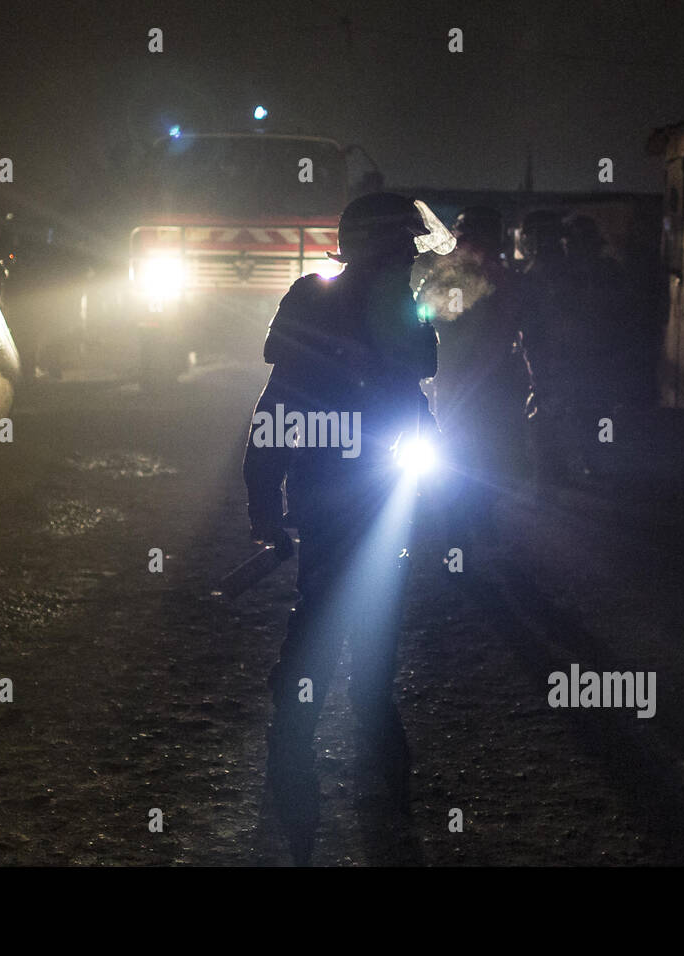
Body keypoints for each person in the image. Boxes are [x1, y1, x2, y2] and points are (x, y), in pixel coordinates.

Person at [243, 192, 453, 864]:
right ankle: (303, 752)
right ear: (373, 246)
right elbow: (280, 404)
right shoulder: (321, 300)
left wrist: (265, 504)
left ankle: (347, 754)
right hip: (339, 496)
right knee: (334, 622)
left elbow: (417, 385)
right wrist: (264, 505)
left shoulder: (386, 306)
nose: (408, 263)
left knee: (364, 629)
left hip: (377, 496)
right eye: (399, 249)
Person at [418, 205, 535, 539]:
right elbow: (429, 315)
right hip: (468, 379)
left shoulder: (492, 277)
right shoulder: (460, 277)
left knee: (490, 457)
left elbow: (512, 323)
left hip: (481, 380)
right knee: (468, 454)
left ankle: (467, 520)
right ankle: (462, 522)